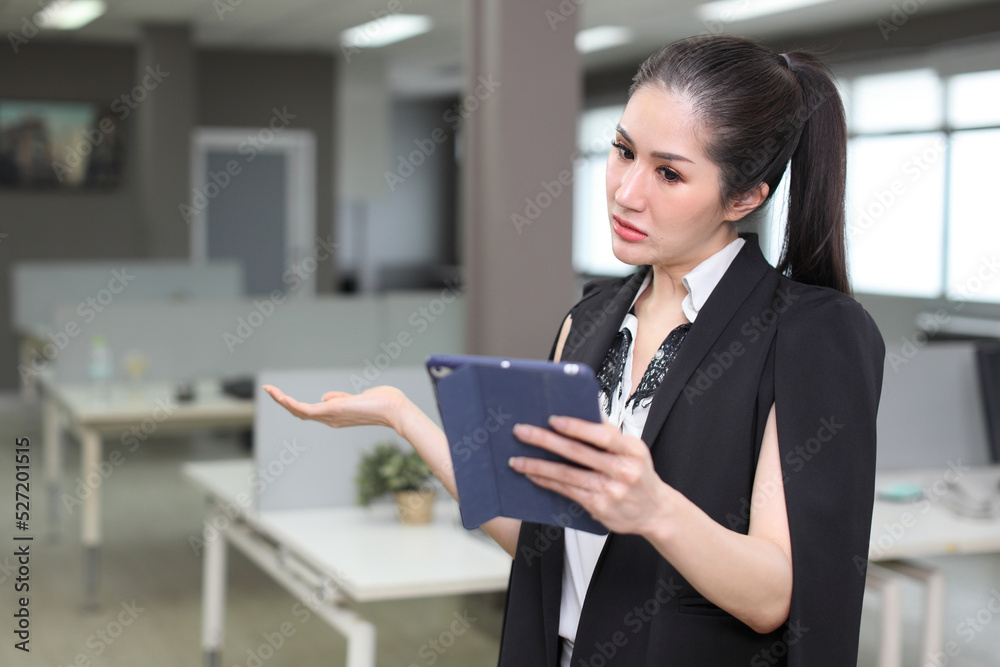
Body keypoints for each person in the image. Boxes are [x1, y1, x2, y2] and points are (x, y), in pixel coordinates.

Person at [264, 34, 885, 667]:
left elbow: (775, 596)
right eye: (623, 151)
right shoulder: (589, 321)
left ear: (745, 196)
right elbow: (540, 547)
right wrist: (404, 415)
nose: (626, 191)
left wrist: (652, 506)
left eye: (668, 172)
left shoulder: (809, 335)